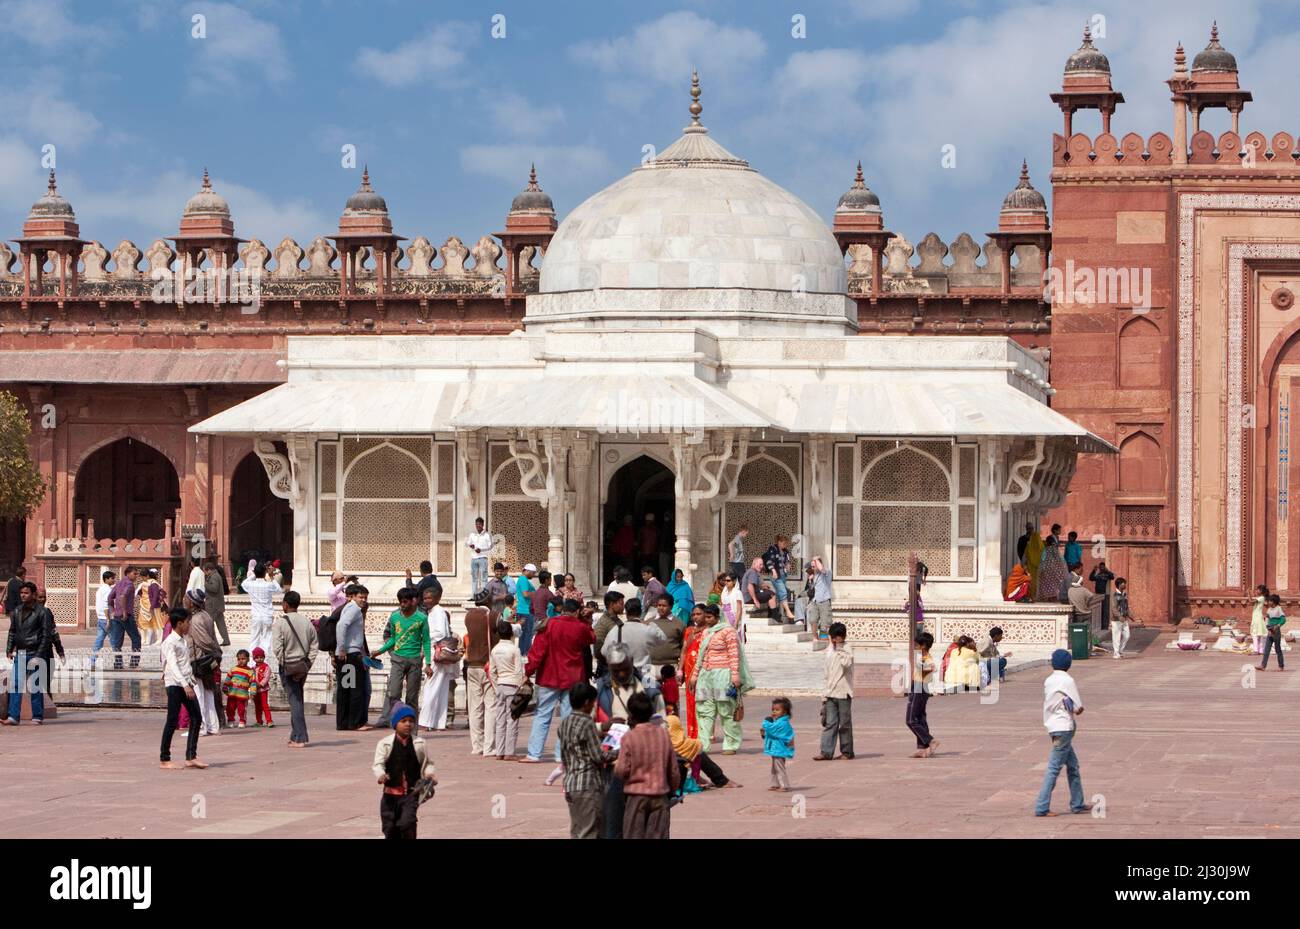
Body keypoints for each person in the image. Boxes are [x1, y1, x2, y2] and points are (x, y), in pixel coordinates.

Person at [521, 590, 595, 764]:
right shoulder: (580, 627)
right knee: (568, 717)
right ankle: (561, 755)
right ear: (577, 612)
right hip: (572, 678)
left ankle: (534, 753)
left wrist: (528, 672)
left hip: (549, 676)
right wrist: (585, 621)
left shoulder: (549, 624)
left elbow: (537, 652)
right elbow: (592, 638)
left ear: (562, 610)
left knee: (542, 715)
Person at [614, 691, 680, 839]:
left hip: (636, 797)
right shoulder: (663, 735)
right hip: (660, 795)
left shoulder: (629, 738)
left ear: (631, 714)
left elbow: (622, 770)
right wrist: (672, 790)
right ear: (651, 712)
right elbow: (674, 771)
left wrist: (616, 766)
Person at [690, 604, 754, 754]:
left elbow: (734, 654)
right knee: (704, 711)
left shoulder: (728, 632)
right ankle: (703, 745)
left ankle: (731, 744)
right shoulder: (706, 632)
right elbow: (702, 656)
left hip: (722, 676)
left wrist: (735, 675)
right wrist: (695, 676)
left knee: (726, 711)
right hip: (706, 676)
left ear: (718, 617)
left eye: (709, 617)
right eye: (705, 617)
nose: (706, 620)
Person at [1034, 649, 1091, 817]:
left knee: (1073, 766)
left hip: (1052, 726)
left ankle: (1078, 803)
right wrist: (1075, 707)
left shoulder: (1049, 680)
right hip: (1064, 727)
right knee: (1053, 768)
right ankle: (1042, 806)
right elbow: (1078, 707)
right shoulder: (1067, 680)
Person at [557, 681, 611, 838]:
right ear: (587, 703)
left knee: (577, 830)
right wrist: (620, 752)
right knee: (590, 832)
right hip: (588, 785)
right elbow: (598, 757)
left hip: (571, 784)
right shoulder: (587, 722)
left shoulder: (565, 723)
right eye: (593, 703)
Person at [372, 704, 434, 839]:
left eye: (411, 721)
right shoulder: (384, 744)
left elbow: (428, 762)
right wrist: (381, 775)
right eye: (403, 721)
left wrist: (429, 774)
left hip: (410, 794)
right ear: (395, 724)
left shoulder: (420, 743)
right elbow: (378, 764)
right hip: (390, 796)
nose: (408, 724)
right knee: (389, 827)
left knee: (407, 823)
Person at [159, 608, 207, 770]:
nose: (188, 625)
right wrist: (184, 685)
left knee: (196, 717)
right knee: (172, 721)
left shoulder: (183, 640)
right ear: (179, 623)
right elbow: (172, 664)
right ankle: (165, 758)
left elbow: (183, 663)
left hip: (185, 683)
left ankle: (191, 756)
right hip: (175, 685)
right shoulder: (170, 642)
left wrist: (189, 680)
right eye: (187, 622)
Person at [373, 587, 432, 717]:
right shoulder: (395, 617)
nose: (402, 605)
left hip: (415, 660)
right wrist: (379, 651)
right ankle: (400, 721)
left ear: (413, 601)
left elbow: (426, 641)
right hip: (398, 659)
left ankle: (412, 731)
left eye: (405, 602)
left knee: (412, 698)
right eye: (401, 602)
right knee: (393, 694)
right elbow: (393, 638)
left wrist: (428, 663)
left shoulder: (421, 618)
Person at [272, 589, 318, 747]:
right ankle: (295, 734)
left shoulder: (280, 623)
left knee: (295, 701)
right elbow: (314, 646)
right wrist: (308, 664)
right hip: (302, 665)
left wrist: (284, 663)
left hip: (288, 666)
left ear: (285, 604)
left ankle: (300, 738)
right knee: (297, 697)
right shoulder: (307, 622)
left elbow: (277, 648)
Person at [3, 581, 51, 726]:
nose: (23, 595)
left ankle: (37, 716)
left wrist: (39, 655)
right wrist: (9, 648)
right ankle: (13, 716)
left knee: (34, 686)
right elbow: (13, 631)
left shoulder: (42, 612)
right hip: (21, 653)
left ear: (33, 595)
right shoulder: (17, 611)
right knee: (16, 684)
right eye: (22, 593)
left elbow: (46, 635)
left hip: (35, 653)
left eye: (26, 593)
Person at [600, 595, 666, 690]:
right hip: (645, 676)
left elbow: (604, 652)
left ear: (626, 612)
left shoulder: (616, 629)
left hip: (623, 676)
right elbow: (663, 638)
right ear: (640, 612)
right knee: (651, 699)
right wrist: (651, 624)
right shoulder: (647, 630)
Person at [463, 592, 499, 756]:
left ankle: (476, 745)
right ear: (488, 600)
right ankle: (488, 747)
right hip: (487, 665)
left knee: (475, 707)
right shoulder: (491, 616)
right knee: (490, 706)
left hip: (471, 666)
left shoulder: (469, 616)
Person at [183, 588, 222, 735]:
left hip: (199, 660)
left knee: (199, 694)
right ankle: (213, 726)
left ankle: (202, 726)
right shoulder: (205, 615)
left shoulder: (196, 619)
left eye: (186, 598)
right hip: (207, 659)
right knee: (208, 692)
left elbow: (204, 641)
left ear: (192, 603)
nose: (184, 600)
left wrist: (215, 653)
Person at [814, 621, 854, 761]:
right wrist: (823, 695)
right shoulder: (830, 649)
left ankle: (847, 752)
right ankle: (826, 752)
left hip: (843, 692)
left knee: (844, 724)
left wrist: (840, 648)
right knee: (830, 723)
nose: (835, 640)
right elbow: (827, 673)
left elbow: (846, 664)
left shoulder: (847, 648)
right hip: (830, 692)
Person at [335, 584, 372, 731]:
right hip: (350, 655)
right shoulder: (355, 609)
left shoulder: (348, 608)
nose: (363, 599)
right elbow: (341, 625)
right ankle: (355, 723)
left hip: (345, 655)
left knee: (345, 689)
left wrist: (341, 649)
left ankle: (343, 723)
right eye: (360, 597)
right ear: (353, 597)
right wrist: (343, 648)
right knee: (356, 689)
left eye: (365, 597)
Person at [419, 586, 455, 731]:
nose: (426, 601)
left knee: (431, 687)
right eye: (425, 598)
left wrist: (425, 641)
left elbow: (440, 633)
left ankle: (425, 721)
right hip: (437, 653)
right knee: (439, 688)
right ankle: (438, 722)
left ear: (437, 598)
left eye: (429, 598)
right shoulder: (433, 612)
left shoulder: (438, 612)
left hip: (435, 654)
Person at [489, 620, 524, 759]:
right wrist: (519, 686)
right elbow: (518, 671)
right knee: (512, 719)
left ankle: (499, 751)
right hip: (512, 685)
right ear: (511, 633)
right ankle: (509, 752)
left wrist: (496, 685)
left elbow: (492, 671)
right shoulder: (514, 649)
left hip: (500, 685)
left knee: (500, 719)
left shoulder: (495, 650)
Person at [241, 558, 281, 657]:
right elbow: (279, 590)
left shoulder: (251, 584)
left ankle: (252, 663)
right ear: (264, 573)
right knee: (266, 641)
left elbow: (243, 583)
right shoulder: (268, 585)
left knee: (254, 639)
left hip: (256, 616)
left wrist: (255, 574)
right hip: (267, 615)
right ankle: (264, 665)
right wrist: (271, 577)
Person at [906, 631, 938, 758]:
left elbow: (930, 669)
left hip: (920, 688)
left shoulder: (926, 659)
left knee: (911, 720)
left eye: (918, 645)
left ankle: (930, 740)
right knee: (920, 719)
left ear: (923, 645)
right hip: (918, 687)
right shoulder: (923, 657)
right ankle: (922, 748)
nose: (916, 647)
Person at [107, 565, 141, 670]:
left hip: (117, 616)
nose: (136, 576)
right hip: (126, 616)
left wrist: (113, 610)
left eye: (137, 574)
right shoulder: (129, 585)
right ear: (128, 573)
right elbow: (123, 596)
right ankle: (134, 664)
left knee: (118, 641)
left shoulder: (119, 583)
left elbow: (110, 598)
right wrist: (125, 612)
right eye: (134, 574)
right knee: (136, 638)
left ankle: (118, 663)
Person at [761, 696, 795, 791]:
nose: (774, 712)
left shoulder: (782, 723)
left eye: (777, 710)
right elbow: (771, 732)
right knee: (774, 767)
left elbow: (772, 729)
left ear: (784, 712)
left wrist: (766, 722)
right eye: (773, 710)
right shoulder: (778, 722)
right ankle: (775, 784)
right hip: (775, 749)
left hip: (779, 749)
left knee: (779, 767)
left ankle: (784, 785)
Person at [763, 535, 797, 623]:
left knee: (779, 594)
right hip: (775, 574)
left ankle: (773, 613)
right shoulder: (773, 549)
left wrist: (788, 565)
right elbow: (769, 560)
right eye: (783, 543)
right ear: (779, 542)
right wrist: (773, 570)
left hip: (783, 575)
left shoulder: (785, 551)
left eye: (786, 543)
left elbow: (787, 560)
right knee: (783, 592)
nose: (785, 545)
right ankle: (788, 612)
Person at [648, 595, 684, 673]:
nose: (661, 608)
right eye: (659, 605)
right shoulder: (648, 622)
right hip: (651, 666)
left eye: (664, 605)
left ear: (671, 607)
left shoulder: (679, 624)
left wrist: (680, 669)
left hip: (671, 666)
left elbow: (684, 648)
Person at [134, 568, 167, 646]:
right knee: (154, 623)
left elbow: (155, 596)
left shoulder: (153, 584)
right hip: (151, 606)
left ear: (147, 576)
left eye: (143, 577)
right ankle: (156, 639)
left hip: (155, 606)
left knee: (158, 623)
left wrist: (152, 606)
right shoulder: (149, 583)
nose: (143, 579)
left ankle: (160, 639)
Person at [222, 650, 256, 727]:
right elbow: (228, 679)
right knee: (230, 708)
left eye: (243, 659)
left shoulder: (250, 671)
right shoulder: (233, 669)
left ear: (248, 659)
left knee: (242, 709)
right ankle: (231, 720)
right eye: (239, 659)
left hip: (242, 695)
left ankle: (242, 721)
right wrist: (225, 687)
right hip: (232, 694)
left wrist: (253, 693)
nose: (241, 661)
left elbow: (253, 683)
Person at [90, 569, 116, 668]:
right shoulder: (107, 590)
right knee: (114, 641)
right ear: (106, 579)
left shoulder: (100, 589)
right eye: (112, 578)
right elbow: (105, 605)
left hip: (101, 618)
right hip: (106, 619)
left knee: (99, 640)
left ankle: (92, 660)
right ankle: (118, 662)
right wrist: (109, 619)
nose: (114, 580)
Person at [204, 560, 231, 646]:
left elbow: (214, 588)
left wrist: (205, 584)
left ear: (209, 570)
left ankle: (211, 641)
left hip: (213, 605)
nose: (205, 573)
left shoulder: (214, 577)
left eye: (205, 571)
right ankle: (226, 640)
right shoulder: (215, 575)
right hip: (217, 604)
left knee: (209, 623)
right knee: (220, 623)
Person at [1037, 525, 1066, 603]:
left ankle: (1050, 597)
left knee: (1049, 582)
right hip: (1052, 566)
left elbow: (1043, 559)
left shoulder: (1046, 550)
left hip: (1048, 566)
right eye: (1059, 530)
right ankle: (1052, 597)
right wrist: (1062, 564)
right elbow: (1058, 557)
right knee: (1053, 582)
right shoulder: (1051, 549)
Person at [806, 556, 834, 638]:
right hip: (816, 601)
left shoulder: (827, 572)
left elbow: (822, 569)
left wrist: (815, 559)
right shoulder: (814, 575)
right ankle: (815, 637)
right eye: (812, 566)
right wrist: (810, 580)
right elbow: (811, 589)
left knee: (825, 623)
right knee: (812, 620)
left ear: (819, 564)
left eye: (814, 565)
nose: (813, 567)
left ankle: (824, 639)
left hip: (824, 601)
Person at [514, 563, 537, 655]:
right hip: (525, 611)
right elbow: (525, 594)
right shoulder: (523, 580)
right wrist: (537, 594)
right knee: (527, 634)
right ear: (527, 571)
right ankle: (525, 653)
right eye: (532, 573)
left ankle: (522, 652)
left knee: (524, 634)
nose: (533, 575)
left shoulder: (523, 579)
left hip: (523, 610)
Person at [1260, 593, 1287, 671]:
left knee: (1277, 649)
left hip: (1276, 630)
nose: (1269, 602)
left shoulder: (1278, 609)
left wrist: (1278, 625)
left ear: (1274, 602)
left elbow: (1283, 619)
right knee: (1266, 649)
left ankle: (1281, 666)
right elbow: (1267, 619)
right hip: (1270, 630)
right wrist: (1267, 626)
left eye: (1270, 601)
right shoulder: (1269, 609)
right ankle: (1263, 665)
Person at [467, 516, 493, 595]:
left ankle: (484, 595)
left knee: (484, 578)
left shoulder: (487, 535)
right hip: (474, 558)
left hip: (483, 558)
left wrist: (481, 550)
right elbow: (467, 543)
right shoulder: (472, 534)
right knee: (474, 578)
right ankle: (474, 595)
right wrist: (470, 545)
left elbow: (490, 546)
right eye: (476, 524)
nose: (478, 526)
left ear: (482, 525)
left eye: (479, 524)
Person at [250, 648, 273, 727]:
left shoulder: (266, 667)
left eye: (261, 657)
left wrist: (260, 684)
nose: (259, 659)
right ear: (254, 658)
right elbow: (250, 677)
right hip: (255, 690)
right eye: (257, 657)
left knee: (264, 705)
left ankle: (269, 721)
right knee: (257, 706)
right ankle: (259, 721)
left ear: (264, 657)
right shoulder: (252, 668)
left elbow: (266, 677)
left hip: (263, 689)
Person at [1089, 559, 1115, 629]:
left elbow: (1112, 577)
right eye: (1101, 567)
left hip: (1105, 594)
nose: (1102, 568)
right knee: (1099, 611)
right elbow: (1091, 578)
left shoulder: (1107, 575)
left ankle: (1105, 626)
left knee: (1105, 611)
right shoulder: (1098, 575)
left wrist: (1107, 571)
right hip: (1098, 594)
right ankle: (1099, 625)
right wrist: (1094, 570)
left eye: (1103, 567)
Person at [1110, 577, 1132, 659]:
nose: (1125, 585)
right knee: (1116, 636)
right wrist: (1119, 616)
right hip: (1116, 620)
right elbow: (1113, 608)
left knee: (1127, 635)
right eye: (1123, 583)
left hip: (1124, 618)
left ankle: (1120, 650)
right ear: (1119, 585)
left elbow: (1126, 607)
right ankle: (1116, 653)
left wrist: (1131, 615)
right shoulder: (1114, 595)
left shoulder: (1124, 594)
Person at [720, 573, 745, 639]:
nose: (726, 582)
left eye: (728, 580)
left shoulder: (737, 593)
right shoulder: (724, 592)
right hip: (724, 617)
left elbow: (739, 609)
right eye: (725, 580)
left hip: (732, 617)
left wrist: (736, 622)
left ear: (734, 582)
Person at [1250, 585, 1269, 656]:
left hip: (1257, 617)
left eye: (1257, 590)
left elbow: (1251, 602)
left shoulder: (1261, 598)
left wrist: (1248, 593)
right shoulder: (1260, 598)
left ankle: (1256, 650)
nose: (1256, 591)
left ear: (1261, 591)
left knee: (1255, 634)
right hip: (1257, 617)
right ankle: (1261, 650)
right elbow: (1251, 602)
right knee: (1259, 634)